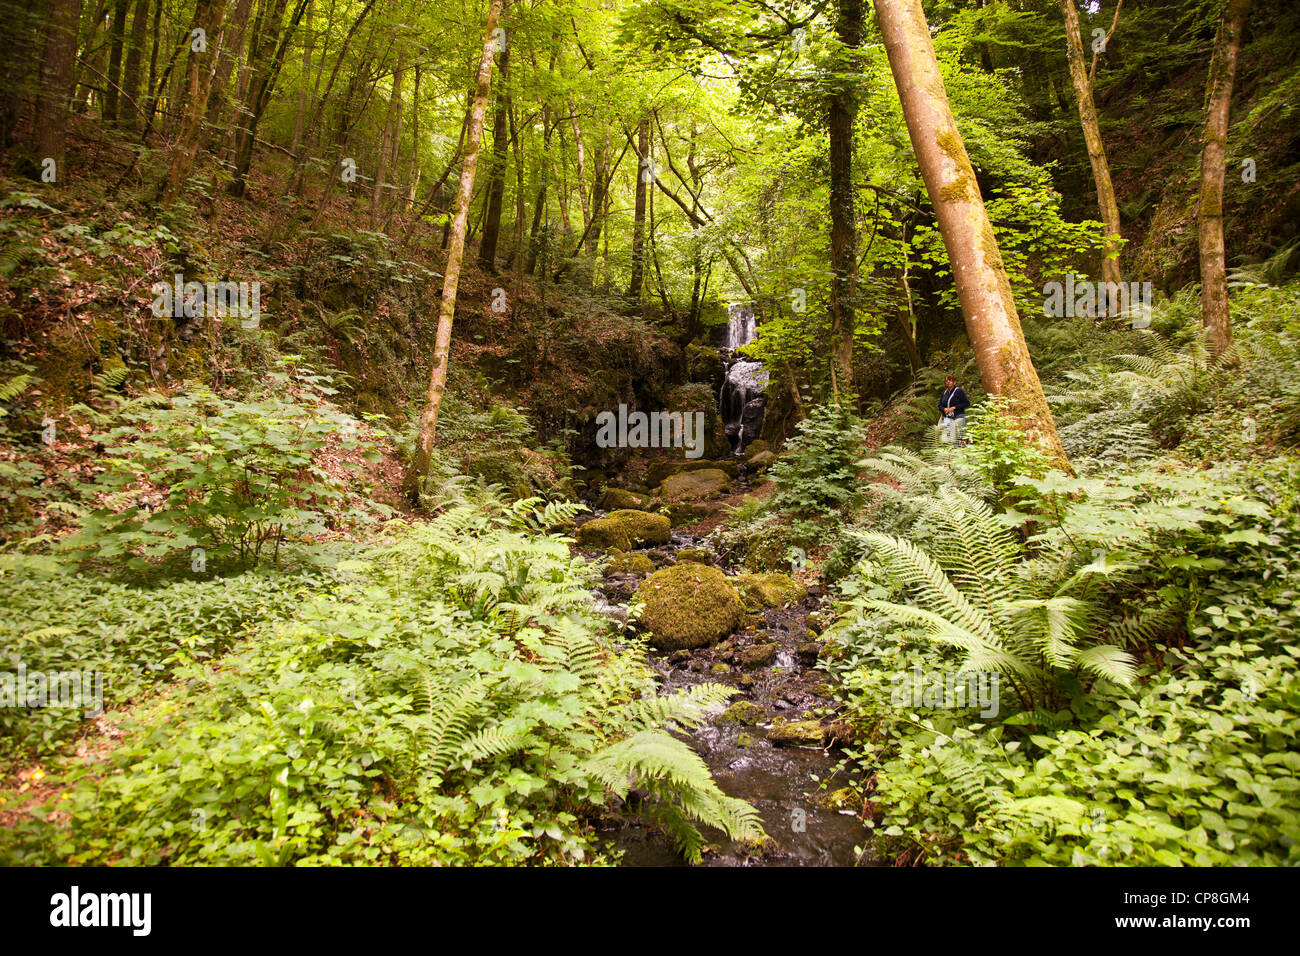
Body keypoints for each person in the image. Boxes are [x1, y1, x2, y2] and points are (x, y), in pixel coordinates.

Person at [938, 374, 970, 445]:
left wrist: (955, 407)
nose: (948, 382)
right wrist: (944, 409)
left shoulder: (959, 391)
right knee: (948, 438)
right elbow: (939, 405)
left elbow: (967, 403)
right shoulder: (944, 393)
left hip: (958, 416)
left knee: (959, 436)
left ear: (954, 382)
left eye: (950, 380)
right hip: (947, 417)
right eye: (947, 381)